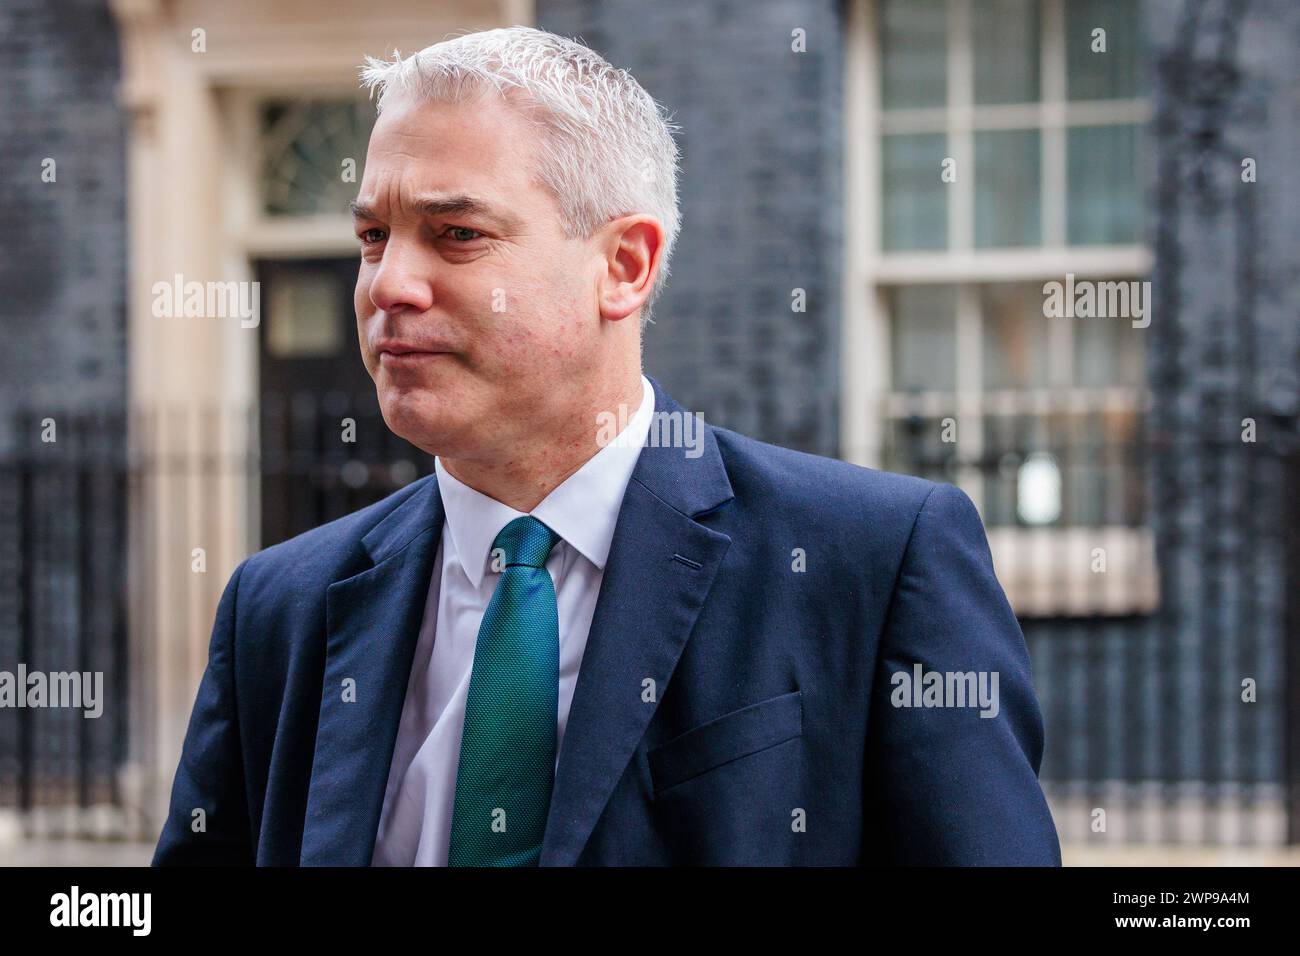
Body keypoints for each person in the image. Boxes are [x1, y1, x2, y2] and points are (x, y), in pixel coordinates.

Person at [153, 25, 1060, 866]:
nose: (389, 283)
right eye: (372, 236)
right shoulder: (279, 606)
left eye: (456, 235)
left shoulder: (871, 560)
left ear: (622, 266)